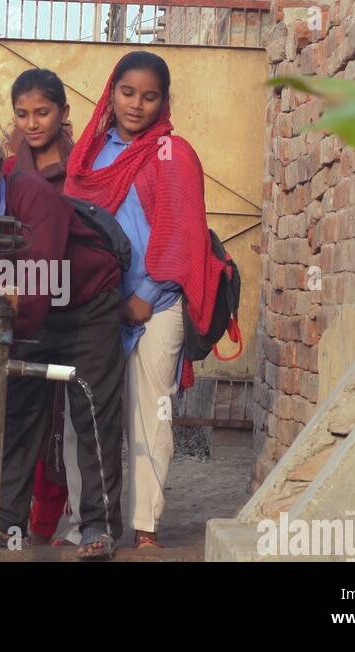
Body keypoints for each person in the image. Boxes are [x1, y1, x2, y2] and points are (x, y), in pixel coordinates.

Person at [0, 118, 124, 559]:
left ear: (1, 167)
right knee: (14, 413)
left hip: (85, 307)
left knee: (92, 411)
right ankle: (3, 525)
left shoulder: (33, 195)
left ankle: (99, 525)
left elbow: (40, 283)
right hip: (17, 320)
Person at [65, 51, 224, 548]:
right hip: (96, 305)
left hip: (157, 302)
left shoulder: (173, 155)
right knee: (85, 413)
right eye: (128, 92)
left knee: (150, 413)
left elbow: (183, 236)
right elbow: (72, 228)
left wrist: (147, 295)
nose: (137, 104)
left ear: (164, 101)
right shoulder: (89, 157)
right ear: (111, 93)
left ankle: (144, 527)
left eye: (149, 96)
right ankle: (88, 524)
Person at [2, 68, 78, 546]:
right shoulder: (8, 175)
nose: (32, 123)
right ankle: (9, 523)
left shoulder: (86, 168)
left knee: (73, 421)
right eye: (22, 114)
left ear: (63, 113)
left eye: (42, 112)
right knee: (22, 420)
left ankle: (68, 526)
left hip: (78, 306)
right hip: (27, 309)